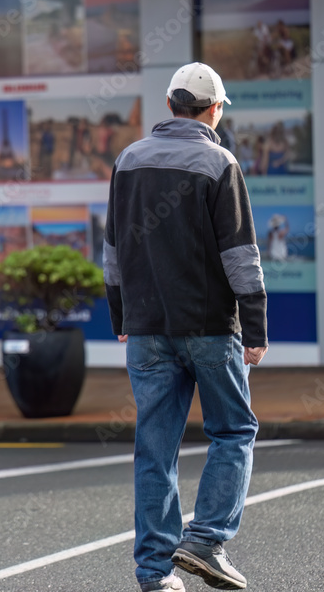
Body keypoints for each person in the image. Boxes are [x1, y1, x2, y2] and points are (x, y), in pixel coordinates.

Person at [104, 62, 268, 592]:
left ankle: (154, 574)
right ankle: (206, 540)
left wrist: (121, 315)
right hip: (209, 328)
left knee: (155, 449)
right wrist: (256, 328)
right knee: (234, 431)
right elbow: (241, 257)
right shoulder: (220, 163)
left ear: (171, 105)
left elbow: (112, 250)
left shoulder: (128, 160)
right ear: (214, 110)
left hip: (147, 328)